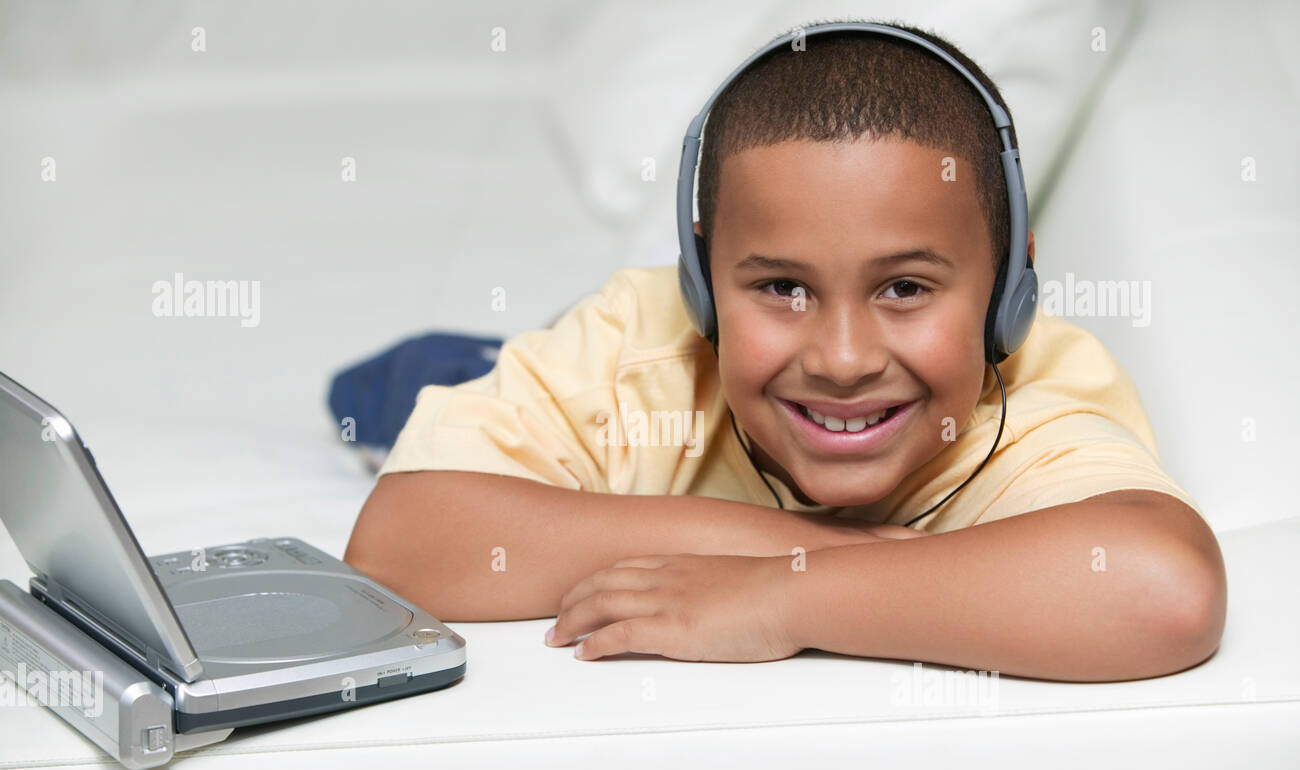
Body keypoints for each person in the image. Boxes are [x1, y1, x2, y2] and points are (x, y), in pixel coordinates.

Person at [344, 19, 1226, 681]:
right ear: (700, 289)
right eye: (781, 288)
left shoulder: (1031, 406)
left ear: (1009, 293)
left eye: (905, 289)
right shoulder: (639, 351)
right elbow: (399, 545)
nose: (843, 359)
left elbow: (1164, 590)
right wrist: (800, 545)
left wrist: (783, 596)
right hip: (576, 373)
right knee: (402, 390)